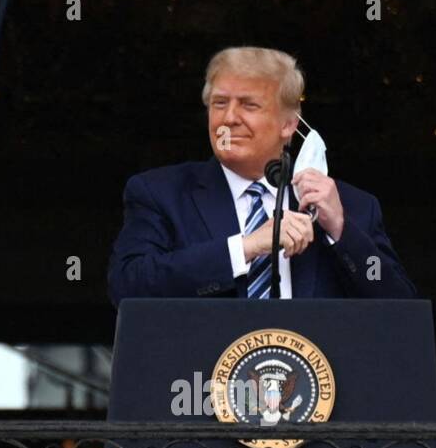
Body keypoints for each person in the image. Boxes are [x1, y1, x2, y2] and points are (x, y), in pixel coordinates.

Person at [107, 46, 414, 305]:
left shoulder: (349, 205)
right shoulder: (161, 192)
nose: (229, 118)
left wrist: (340, 231)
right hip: (202, 377)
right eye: (220, 103)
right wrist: (245, 247)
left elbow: (401, 313)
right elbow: (128, 287)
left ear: (288, 125)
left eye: (249, 105)